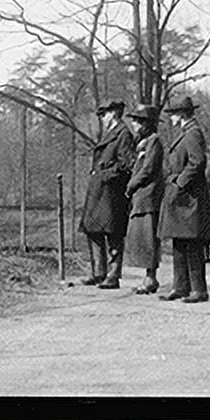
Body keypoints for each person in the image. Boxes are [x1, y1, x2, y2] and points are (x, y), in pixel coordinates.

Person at [156, 95, 210, 303]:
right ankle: (181, 287)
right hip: (182, 198)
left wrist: (180, 183)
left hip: (189, 198)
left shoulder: (193, 133)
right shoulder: (186, 132)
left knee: (192, 244)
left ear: (181, 114)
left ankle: (199, 290)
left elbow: (198, 162)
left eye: (172, 114)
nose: (171, 117)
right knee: (179, 242)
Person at [79, 99, 135, 290]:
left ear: (114, 113)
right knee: (93, 230)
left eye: (104, 114)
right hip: (99, 191)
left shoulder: (124, 134)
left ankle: (113, 275)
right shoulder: (110, 133)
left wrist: (103, 175)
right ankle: (98, 272)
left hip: (112, 192)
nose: (102, 118)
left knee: (113, 234)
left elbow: (127, 166)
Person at [123, 104, 164, 294]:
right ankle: (148, 277)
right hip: (141, 197)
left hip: (149, 197)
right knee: (141, 238)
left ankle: (151, 278)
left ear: (145, 123)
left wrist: (131, 185)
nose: (134, 124)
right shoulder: (142, 143)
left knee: (149, 238)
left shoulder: (154, 142)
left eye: (137, 121)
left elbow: (148, 169)